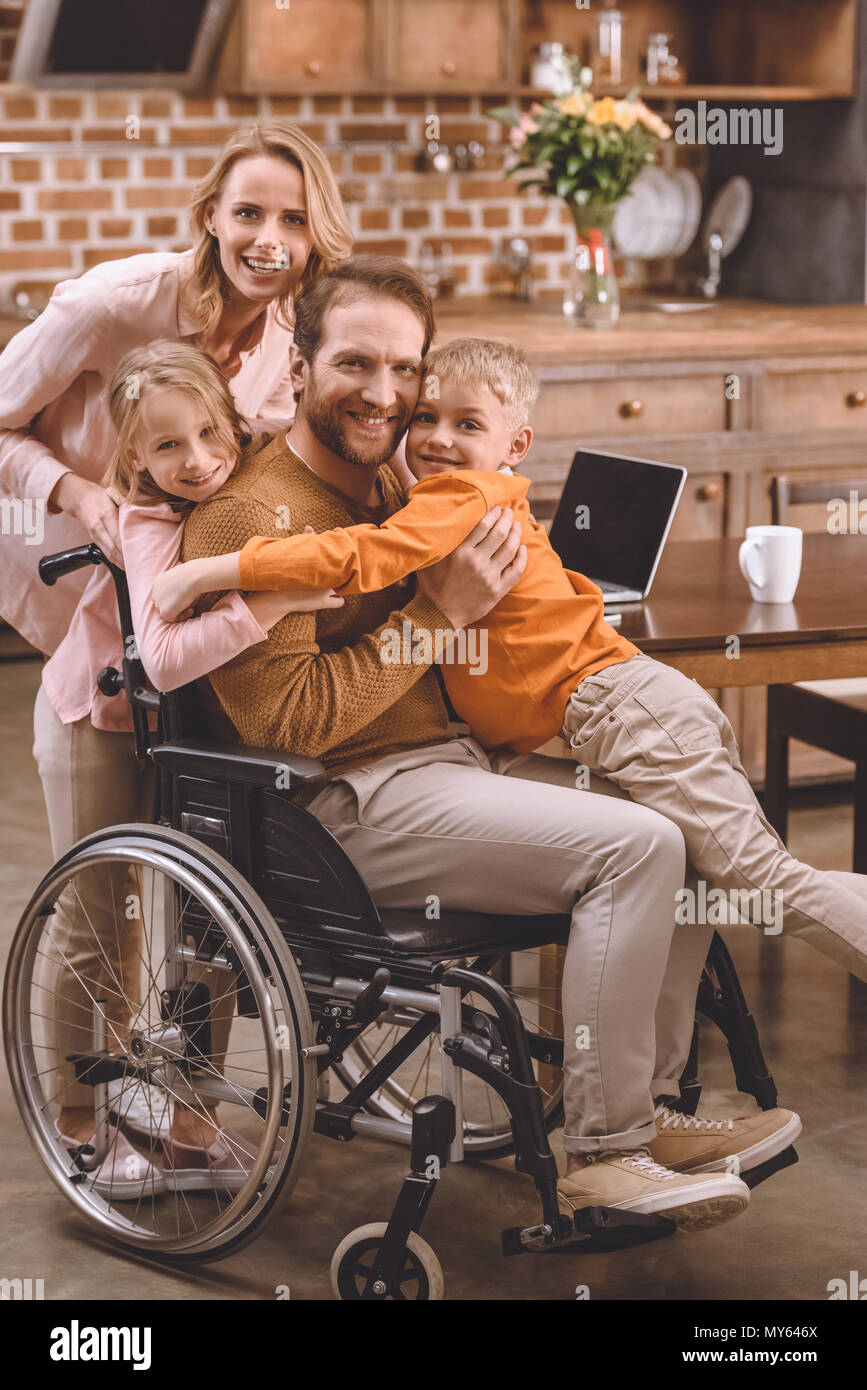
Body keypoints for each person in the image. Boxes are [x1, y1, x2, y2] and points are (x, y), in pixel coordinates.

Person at [177, 256, 797, 1227]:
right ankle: (606, 1151)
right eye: (353, 363)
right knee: (638, 847)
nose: (385, 393)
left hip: (456, 766)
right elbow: (282, 723)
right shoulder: (255, 514)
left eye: (405, 369)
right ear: (298, 367)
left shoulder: (401, 483)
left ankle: (652, 1107)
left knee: (685, 821)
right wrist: (435, 614)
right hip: (344, 802)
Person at [159, 333, 867, 989]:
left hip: (626, 710)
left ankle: (638, 1106)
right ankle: (648, 1100)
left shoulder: (452, 496)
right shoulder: (431, 493)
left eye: (466, 425)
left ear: (515, 443)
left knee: (760, 880)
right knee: (714, 859)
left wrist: (216, 571)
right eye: (426, 417)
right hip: (620, 709)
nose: (436, 438)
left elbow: (363, 556)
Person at [0, 117, 351, 1143]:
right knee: (101, 900)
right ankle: (76, 1104)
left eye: (295, 219)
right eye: (249, 212)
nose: (270, 238)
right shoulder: (114, 304)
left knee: (212, 906)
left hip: (205, 665)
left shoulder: (296, 342)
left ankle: (186, 1099)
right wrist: (83, 494)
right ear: (211, 216)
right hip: (97, 611)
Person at [44, 341, 343, 1196]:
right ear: (134, 455)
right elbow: (165, 661)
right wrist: (271, 601)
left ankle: (186, 1117)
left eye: (209, 432)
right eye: (168, 445)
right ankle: (79, 1116)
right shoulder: (144, 523)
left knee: (206, 926)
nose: (197, 459)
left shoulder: (249, 490)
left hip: (191, 733)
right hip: (97, 718)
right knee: (103, 917)